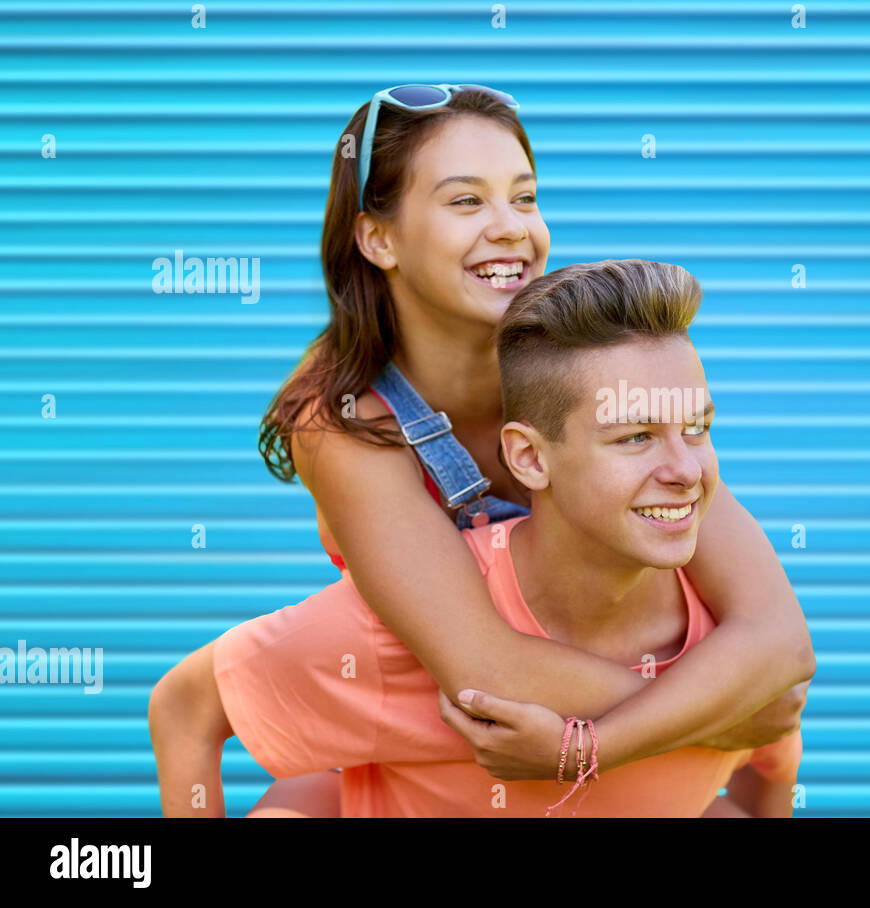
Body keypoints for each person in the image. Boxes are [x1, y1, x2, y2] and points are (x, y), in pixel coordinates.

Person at [149, 84, 815, 816]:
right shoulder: (342, 418)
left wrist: (625, 738)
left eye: (524, 199)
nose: (510, 229)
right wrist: (724, 714)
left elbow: (774, 631)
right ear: (379, 238)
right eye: (467, 202)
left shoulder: (580, 362)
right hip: (419, 717)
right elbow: (485, 667)